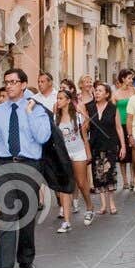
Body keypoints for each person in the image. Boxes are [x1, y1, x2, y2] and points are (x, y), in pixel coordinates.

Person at [0, 68, 53, 268]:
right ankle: (4, 267)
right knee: (7, 216)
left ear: (23, 85)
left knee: (27, 215)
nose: (10, 86)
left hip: (29, 166)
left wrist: (30, 112)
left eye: (14, 82)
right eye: (7, 82)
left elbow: (43, 137)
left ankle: (26, 259)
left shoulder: (37, 109)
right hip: (3, 165)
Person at [52, 87, 94, 232]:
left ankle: (89, 207)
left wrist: (88, 154)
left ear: (68, 101)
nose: (58, 101)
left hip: (78, 152)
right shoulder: (54, 118)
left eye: (61, 98)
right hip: (63, 155)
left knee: (81, 184)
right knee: (65, 186)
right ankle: (67, 222)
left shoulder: (76, 116)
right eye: (57, 98)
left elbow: (84, 136)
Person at [85, 81, 126, 215]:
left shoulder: (113, 108)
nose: (97, 93)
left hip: (110, 145)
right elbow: (85, 127)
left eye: (100, 91)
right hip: (95, 145)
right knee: (98, 175)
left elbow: (119, 128)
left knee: (110, 174)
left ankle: (112, 202)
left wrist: (123, 146)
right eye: (96, 90)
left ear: (107, 94)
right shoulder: (90, 108)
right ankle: (103, 205)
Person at [113, 72, 135, 193]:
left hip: (132, 123)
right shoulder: (116, 94)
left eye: (131, 78)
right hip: (120, 125)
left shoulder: (134, 90)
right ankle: (125, 181)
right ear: (123, 79)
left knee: (133, 152)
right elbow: (113, 111)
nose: (131, 80)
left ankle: (133, 178)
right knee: (122, 154)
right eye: (129, 78)